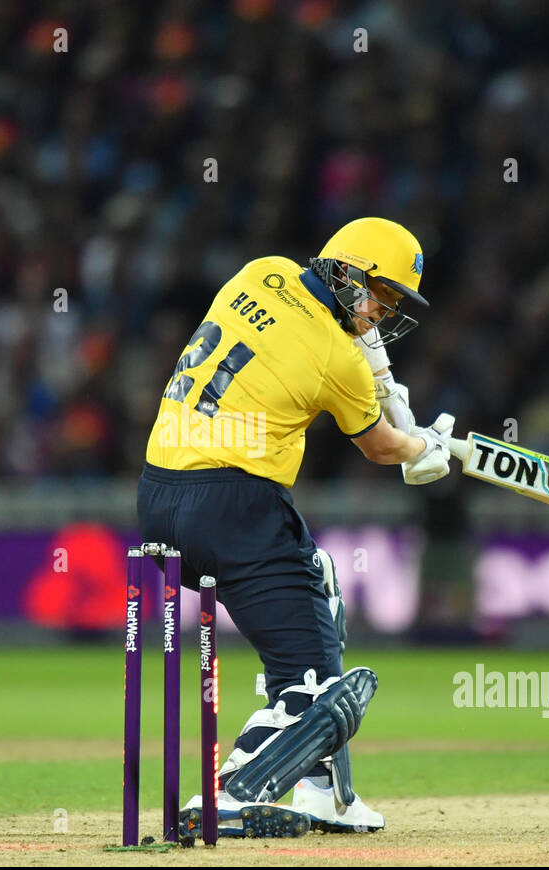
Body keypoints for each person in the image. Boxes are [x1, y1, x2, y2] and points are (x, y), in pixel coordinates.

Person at [137, 217, 454, 838]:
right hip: (234, 505)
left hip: (157, 496)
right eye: (377, 293)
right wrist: (425, 446)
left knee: (322, 583)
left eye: (391, 303)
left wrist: (384, 384)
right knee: (316, 686)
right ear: (345, 271)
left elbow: (329, 331)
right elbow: (380, 447)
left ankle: (322, 791)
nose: (380, 313)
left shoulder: (262, 271)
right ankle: (233, 787)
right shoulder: (339, 359)